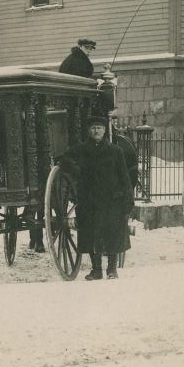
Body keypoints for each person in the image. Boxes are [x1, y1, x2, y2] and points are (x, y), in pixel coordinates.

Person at [60, 114, 133, 280]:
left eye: (99, 128)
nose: (96, 131)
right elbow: (65, 159)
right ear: (89, 130)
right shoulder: (82, 149)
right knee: (91, 233)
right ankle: (96, 270)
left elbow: (124, 177)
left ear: (104, 130)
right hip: (89, 200)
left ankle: (112, 270)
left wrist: (129, 199)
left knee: (112, 233)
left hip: (112, 200)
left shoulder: (115, 151)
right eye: (93, 128)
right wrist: (75, 167)